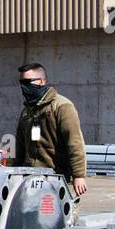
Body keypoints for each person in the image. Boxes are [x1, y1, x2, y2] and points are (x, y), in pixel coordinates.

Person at [13, 62, 88, 197]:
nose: (24, 87)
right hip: (31, 179)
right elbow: (20, 146)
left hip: (58, 178)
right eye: (21, 82)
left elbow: (75, 142)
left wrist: (78, 175)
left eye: (28, 82)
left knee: (63, 217)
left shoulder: (62, 106)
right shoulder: (27, 111)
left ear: (42, 81)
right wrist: (14, 173)